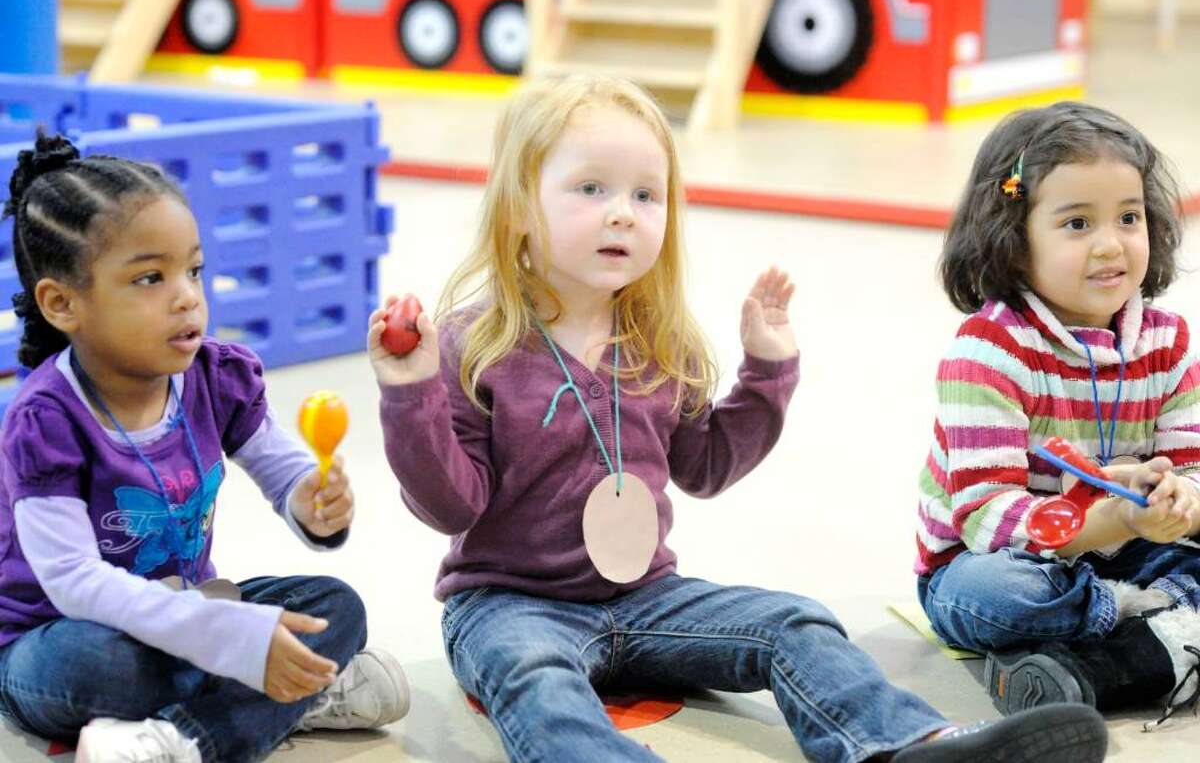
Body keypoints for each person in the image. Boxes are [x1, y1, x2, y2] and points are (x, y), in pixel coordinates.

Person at [372, 75, 1107, 763]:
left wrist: (765, 372)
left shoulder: (659, 340)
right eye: (590, 189)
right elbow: (450, 504)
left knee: (796, 620)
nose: (622, 211)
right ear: (520, 210)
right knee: (533, 676)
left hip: (646, 596)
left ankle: (908, 743)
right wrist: (411, 395)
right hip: (508, 604)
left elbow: (705, 466)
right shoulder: (477, 342)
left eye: (645, 194)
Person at [0, 133, 408, 763]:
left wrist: (314, 502)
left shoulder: (216, 376)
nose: (187, 295)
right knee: (103, 667)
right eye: (149, 278)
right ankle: (287, 697)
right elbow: (77, 586)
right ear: (63, 304)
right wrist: (229, 638)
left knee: (334, 608)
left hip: (188, 611)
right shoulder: (45, 419)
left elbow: (284, 469)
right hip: (54, 638)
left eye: (193, 270)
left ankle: (180, 736)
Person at [917, 101, 1200, 728]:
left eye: (1129, 217)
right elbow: (986, 515)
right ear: (1013, 242)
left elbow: (1194, 469)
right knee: (997, 597)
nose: (1111, 244)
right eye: (1077, 223)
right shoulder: (986, 353)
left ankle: (1099, 655)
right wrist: (1110, 522)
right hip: (1002, 564)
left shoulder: (1168, 342)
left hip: (1129, 554)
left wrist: (1180, 500)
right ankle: (1155, 628)